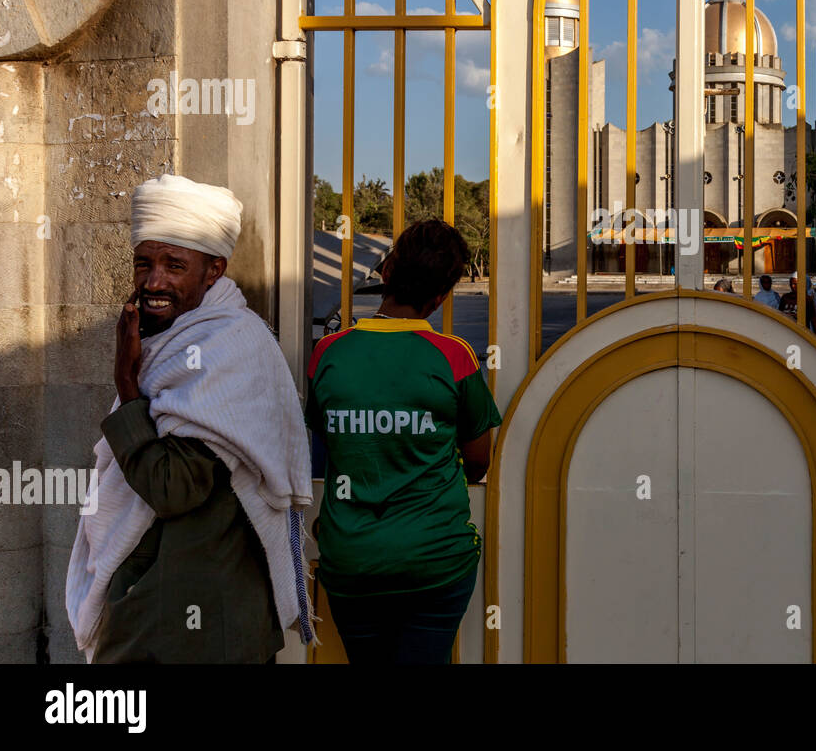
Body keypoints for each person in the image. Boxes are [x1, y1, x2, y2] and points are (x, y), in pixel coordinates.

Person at [66, 174, 315, 663]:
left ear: (213, 271)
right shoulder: (178, 340)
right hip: (163, 614)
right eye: (145, 263)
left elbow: (173, 487)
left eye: (174, 265)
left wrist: (125, 384)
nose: (154, 282)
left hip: (195, 628)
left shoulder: (229, 347)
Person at [306, 220, 501, 664]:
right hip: (434, 561)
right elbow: (477, 461)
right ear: (440, 297)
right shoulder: (454, 357)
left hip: (351, 559)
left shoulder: (329, 352)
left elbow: (328, 443)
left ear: (386, 272)